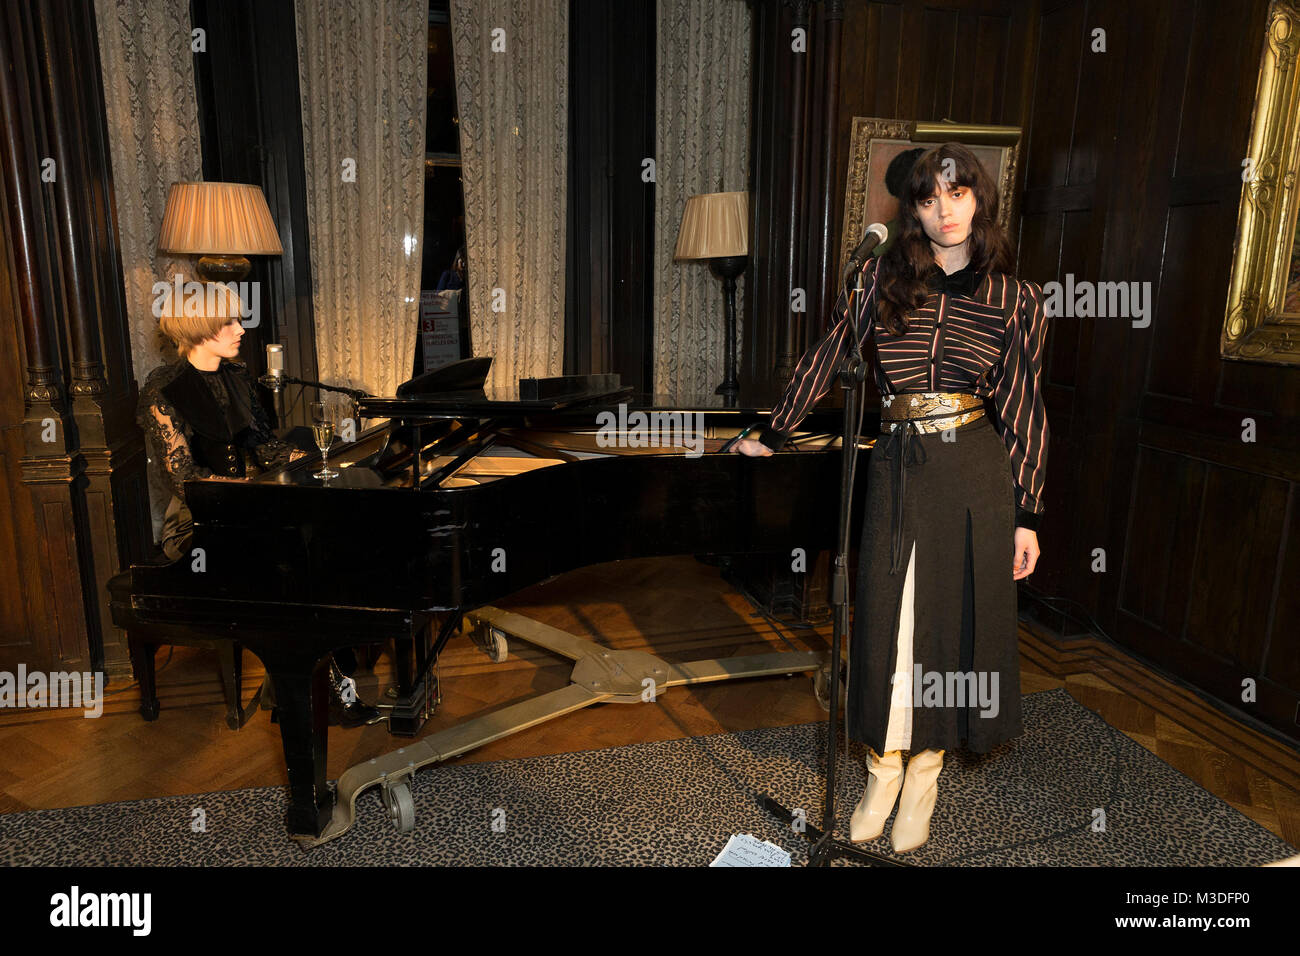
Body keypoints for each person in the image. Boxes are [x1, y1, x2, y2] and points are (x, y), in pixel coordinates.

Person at [731, 142, 1048, 854]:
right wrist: (773, 432)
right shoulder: (879, 280)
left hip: (974, 474)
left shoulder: (1018, 299)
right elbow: (828, 354)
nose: (946, 211)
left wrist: (1027, 513)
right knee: (889, 624)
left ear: (979, 199)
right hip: (898, 468)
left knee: (951, 626)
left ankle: (925, 777)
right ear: (912, 209)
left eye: (958, 194)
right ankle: (883, 767)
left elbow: (1026, 408)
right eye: (930, 198)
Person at [138, 284, 380, 728]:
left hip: (250, 503)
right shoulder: (163, 388)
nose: (240, 329)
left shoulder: (236, 375)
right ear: (199, 327)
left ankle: (299, 684)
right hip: (198, 522)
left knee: (319, 545)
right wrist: (252, 489)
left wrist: (326, 457)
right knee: (295, 559)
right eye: (228, 322)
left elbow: (266, 447)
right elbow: (184, 478)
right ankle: (308, 687)